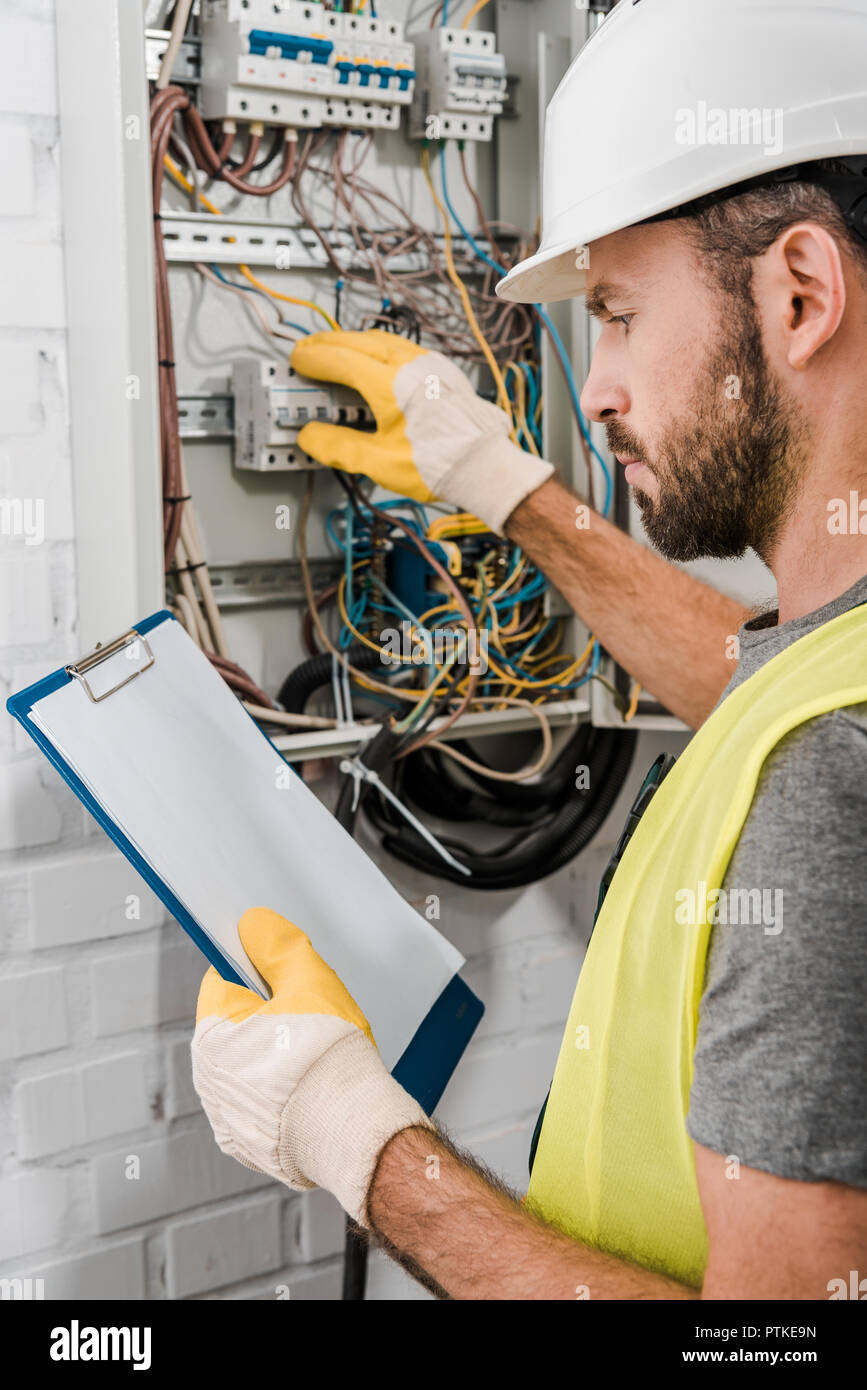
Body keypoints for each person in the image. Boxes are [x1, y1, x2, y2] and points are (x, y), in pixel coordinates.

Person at [191, 0, 867, 1298]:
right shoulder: (830, 679)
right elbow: (759, 679)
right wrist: (507, 487)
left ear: (798, 295)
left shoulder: (832, 772)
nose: (596, 385)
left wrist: (362, 1143)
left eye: (616, 310)